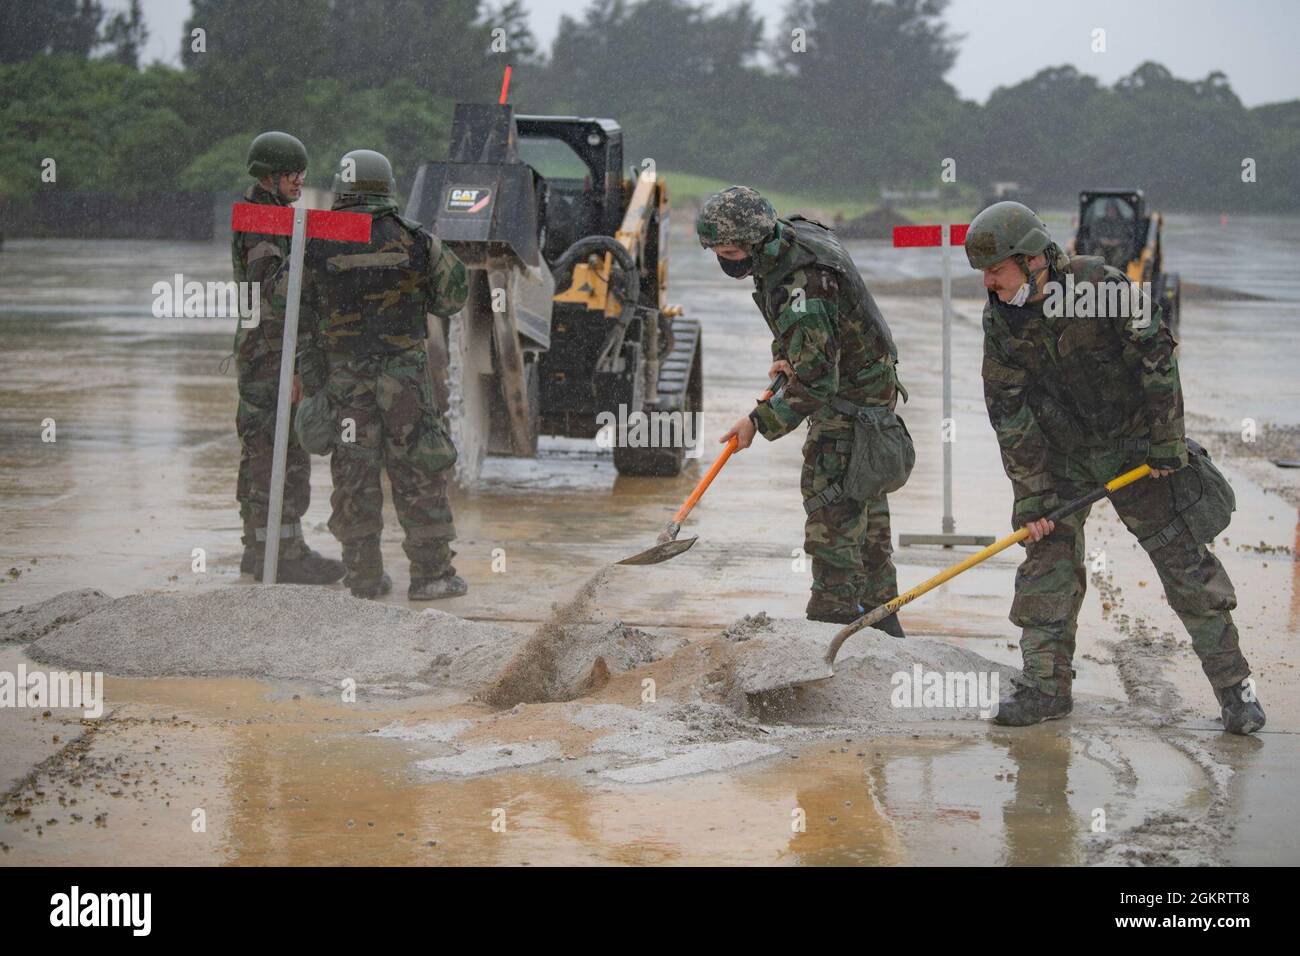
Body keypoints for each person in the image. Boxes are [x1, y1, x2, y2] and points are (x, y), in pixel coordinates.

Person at [966, 200, 1264, 733]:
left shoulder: (1098, 286)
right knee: (1045, 564)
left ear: (1031, 259)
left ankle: (1236, 691)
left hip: (1134, 450)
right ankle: (1044, 688)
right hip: (1063, 459)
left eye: (995, 270)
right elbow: (1010, 414)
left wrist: (1167, 442)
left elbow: (1156, 355)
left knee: (1185, 566)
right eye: (984, 274)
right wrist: (1034, 499)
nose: (988, 283)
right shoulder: (1001, 322)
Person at [700, 186, 909, 635]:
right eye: (717, 251)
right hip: (867, 391)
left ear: (755, 240)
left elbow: (818, 380)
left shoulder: (803, 279)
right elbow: (809, 330)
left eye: (731, 251)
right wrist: (787, 354)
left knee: (830, 502)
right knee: (865, 501)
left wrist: (758, 421)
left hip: (851, 404)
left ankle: (831, 616)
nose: (725, 260)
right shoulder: (791, 238)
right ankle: (882, 618)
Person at [291, 149, 470, 600]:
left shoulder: (317, 240)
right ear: (387, 186)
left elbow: (295, 312)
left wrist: (312, 378)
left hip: (344, 379)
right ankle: (432, 576)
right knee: (418, 468)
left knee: (354, 472)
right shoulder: (417, 240)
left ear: (342, 187)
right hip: (404, 379)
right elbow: (452, 298)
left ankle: (363, 577)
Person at [232, 131, 343, 584]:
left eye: (302, 173)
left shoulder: (271, 215)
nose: (301, 180)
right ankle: (282, 555)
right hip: (271, 355)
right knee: (280, 455)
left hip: (264, 351)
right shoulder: (262, 220)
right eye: (293, 174)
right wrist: (295, 364)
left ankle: (263, 552)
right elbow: (276, 293)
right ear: (272, 175)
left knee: (265, 450)